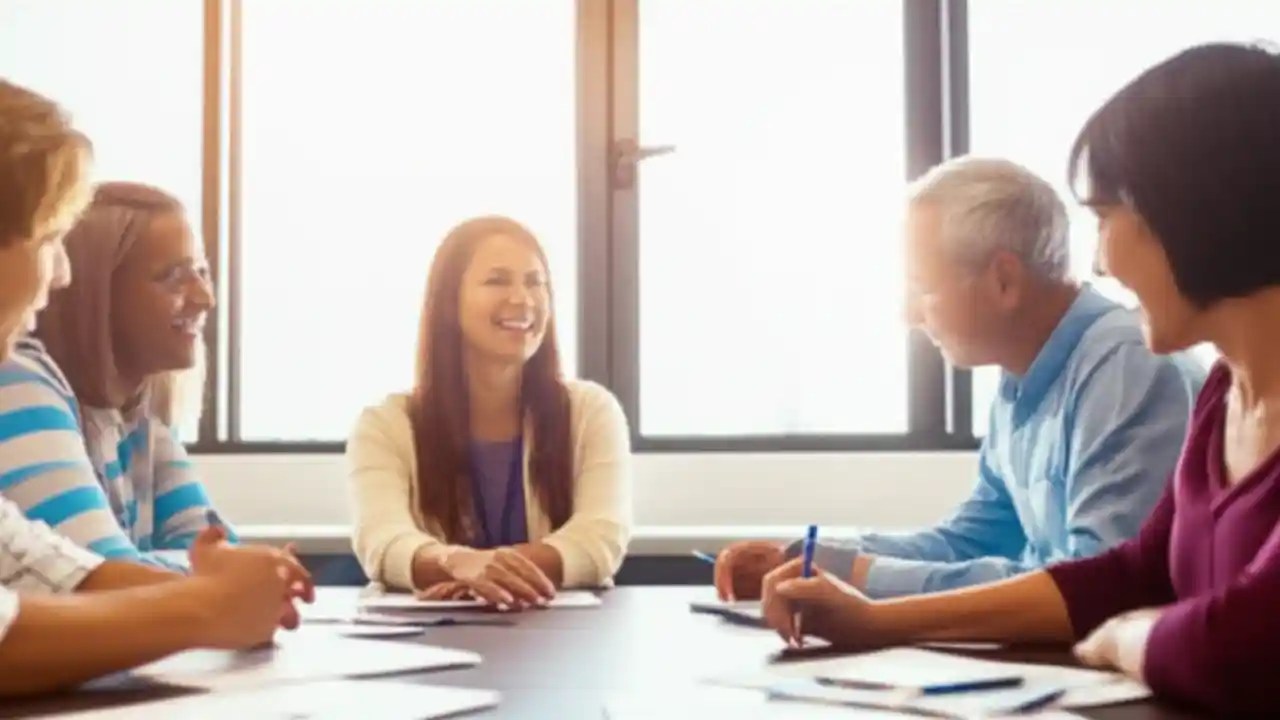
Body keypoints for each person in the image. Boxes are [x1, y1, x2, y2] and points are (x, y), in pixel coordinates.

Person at [759, 43, 1280, 716]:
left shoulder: (1123, 362)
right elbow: (1131, 573)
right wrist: (873, 618)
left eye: (1104, 219)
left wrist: (1131, 637)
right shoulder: (1223, 395)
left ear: (1190, 212)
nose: (1096, 259)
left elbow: (1240, 645)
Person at [716, 157, 1204, 602]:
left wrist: (863, 577)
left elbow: (1094, 583)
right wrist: (814, 558)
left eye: (922, 289)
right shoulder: (1022, 384)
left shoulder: (1128, 367)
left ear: (1004, 281)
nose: (908, 315)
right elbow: (971, 539)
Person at [0, 77, 311, 698]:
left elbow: (57, 572)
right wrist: (207, 605)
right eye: (52, 239)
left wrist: (228, 589)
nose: (61, 273)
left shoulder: (144, 421)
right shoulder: (20, 384)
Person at [348, 215, 632, 608]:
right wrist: (459, 564)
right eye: (497, 280)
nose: (523, 299)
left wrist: (488, 573)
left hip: (560, 641)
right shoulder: (384, 425)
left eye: (535, 282)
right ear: (449, 302)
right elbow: (383, 541)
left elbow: (599, 539)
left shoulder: (591, 412)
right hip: (428, 643)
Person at [1, 182, 231, 569]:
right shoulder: (17, 381)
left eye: (201, 272)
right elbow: (99, 576)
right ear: (95, 291)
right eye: (173, 276)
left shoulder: (139, 419)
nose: (205, 297)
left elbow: (219, 553)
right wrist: (226, 582)